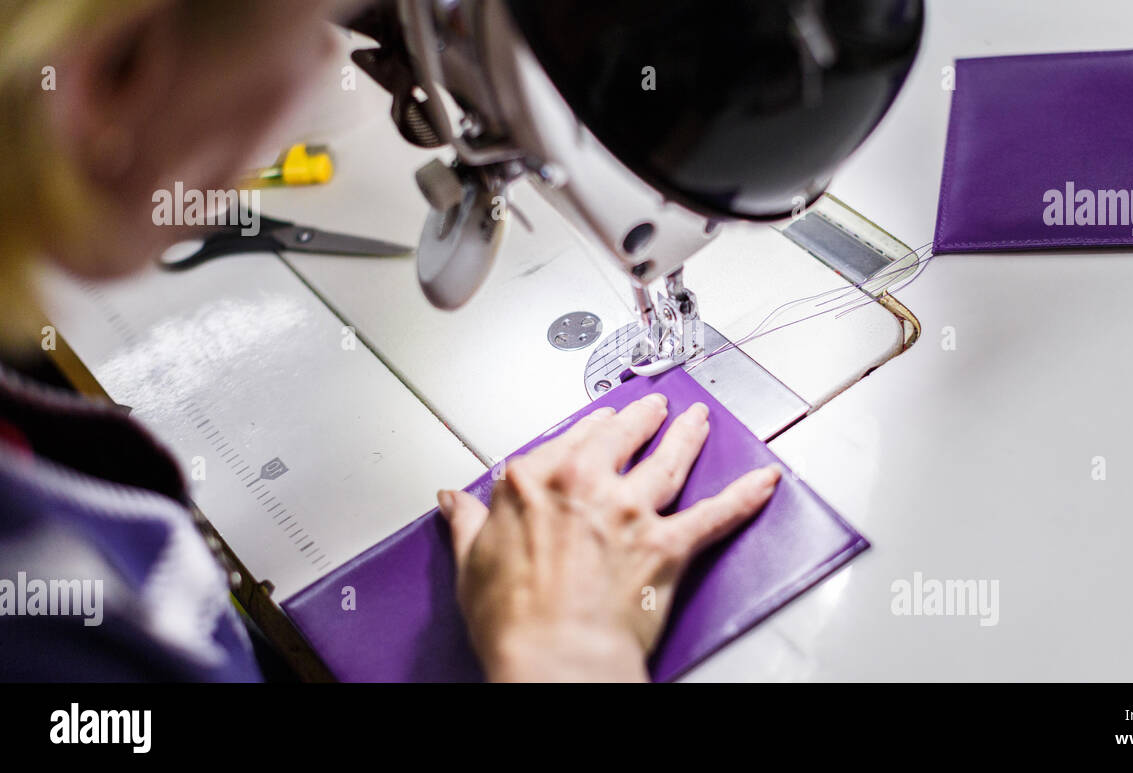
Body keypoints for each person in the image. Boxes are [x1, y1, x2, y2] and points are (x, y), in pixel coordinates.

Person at [0, 0, 778, 682]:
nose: (332, 96)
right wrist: (563, 655)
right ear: (112, 80)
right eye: (314, 38)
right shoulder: (69, 633)